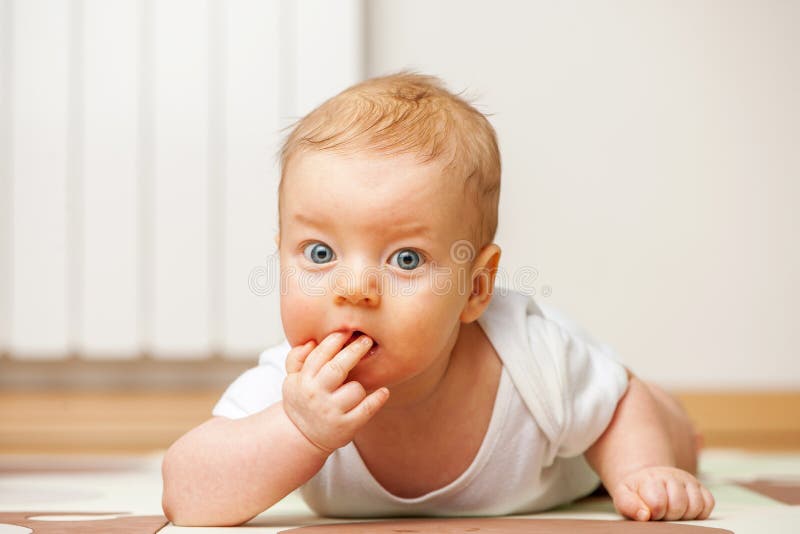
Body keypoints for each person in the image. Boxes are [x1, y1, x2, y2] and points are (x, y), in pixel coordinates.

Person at [161, 72, 715, 527]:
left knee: (659, 444)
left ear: (474, 288)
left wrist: (643, 472)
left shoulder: (531, 360)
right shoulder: (293, 391)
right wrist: (296, 429)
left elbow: (618, 402)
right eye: (320, 253)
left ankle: (676, 438)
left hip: (579, 453)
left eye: (405, 259)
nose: (354, 288)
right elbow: (186, 497)